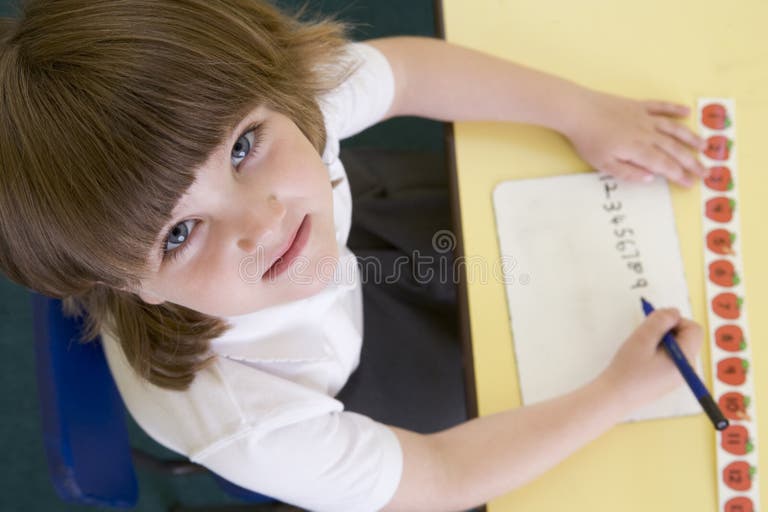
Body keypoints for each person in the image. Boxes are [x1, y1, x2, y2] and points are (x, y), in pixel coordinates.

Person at [0, 1, 705, 511]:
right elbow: (441, 475)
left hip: (357, 241)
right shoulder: (252, 421)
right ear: (126, 285)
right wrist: (614, 394)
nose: (263, 221)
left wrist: (580, 111)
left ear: (273, 91)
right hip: (338, 378)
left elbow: (406, 69)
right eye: (179, 233)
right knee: (504, 399)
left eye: (244, 149)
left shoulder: (271, 101)